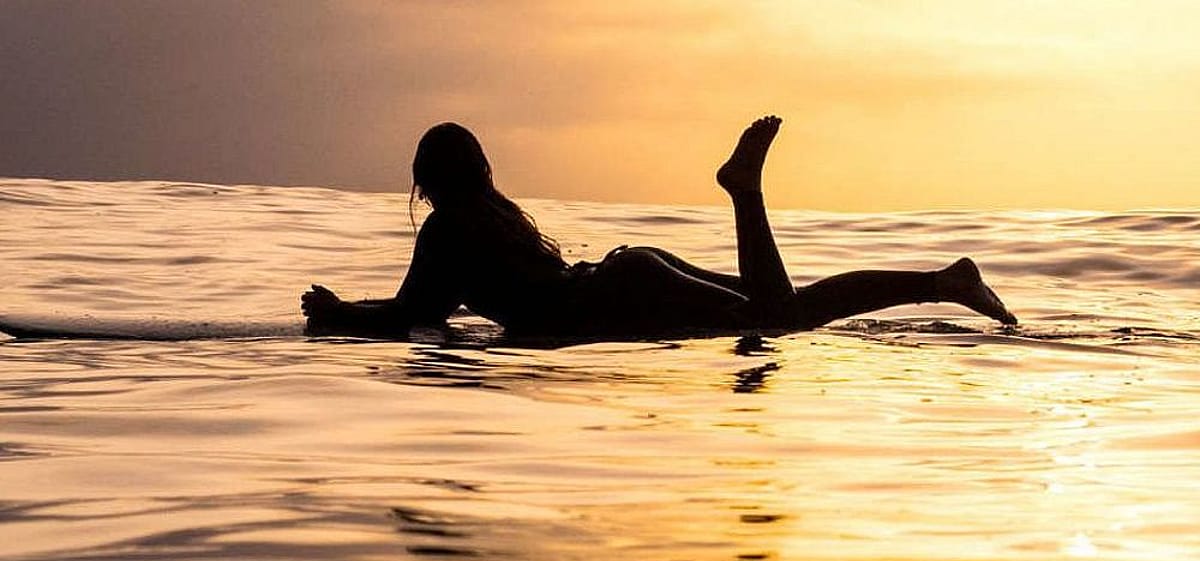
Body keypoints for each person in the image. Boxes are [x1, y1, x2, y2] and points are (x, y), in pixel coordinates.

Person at [302, 116, 1016, 339]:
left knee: (775, 318)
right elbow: (435, 309)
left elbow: (414, 314)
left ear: (427, 180)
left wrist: (338, 315)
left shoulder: (447, 232)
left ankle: (744, 193)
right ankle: (940, 281)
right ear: (481, 169)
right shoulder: (494, 219)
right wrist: (356, 308)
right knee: (789, 308)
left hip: (615, 299)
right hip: (625, 273)